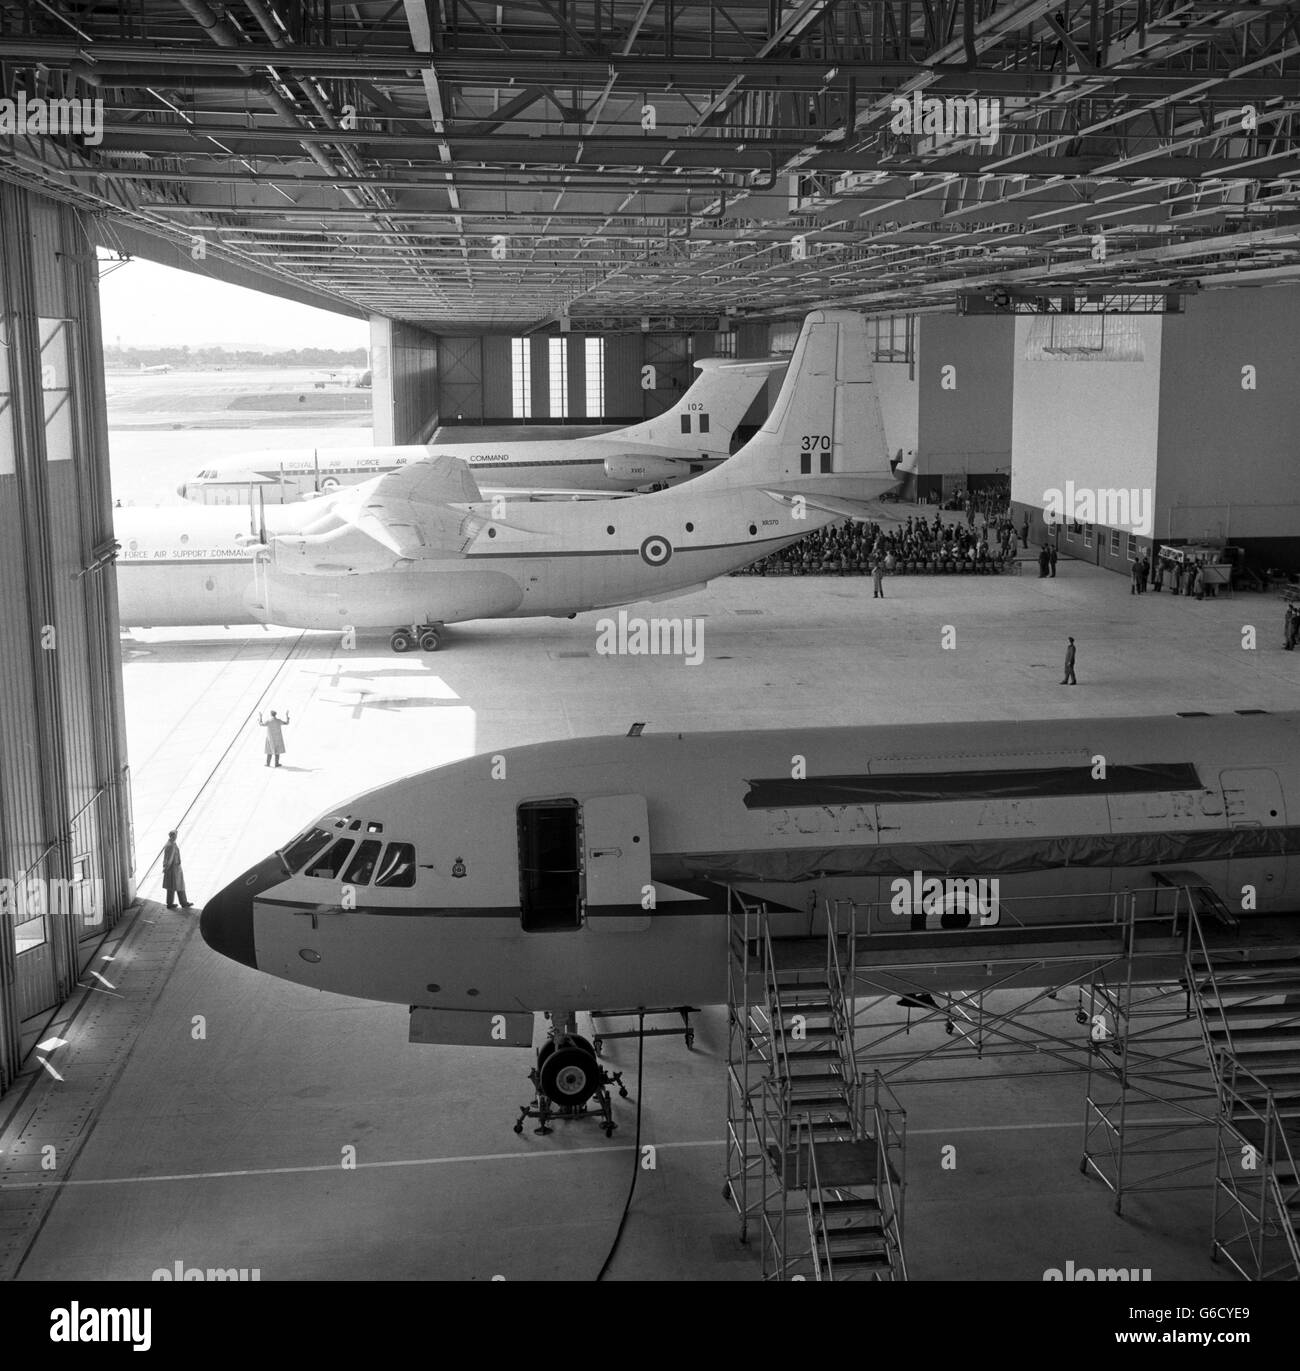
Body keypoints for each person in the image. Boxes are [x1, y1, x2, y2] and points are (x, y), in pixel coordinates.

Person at [162, 831, 193, 910]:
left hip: (172, 869)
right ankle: (184, 903)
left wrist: (165, 867)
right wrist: (166, 867)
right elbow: (170, 858)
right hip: (174, 869)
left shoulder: (169, 844)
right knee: (180, 886)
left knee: (171, 887)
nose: (176, 837)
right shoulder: (171, 845)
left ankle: (170, 903)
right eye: (175, 835)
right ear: (172, 836)